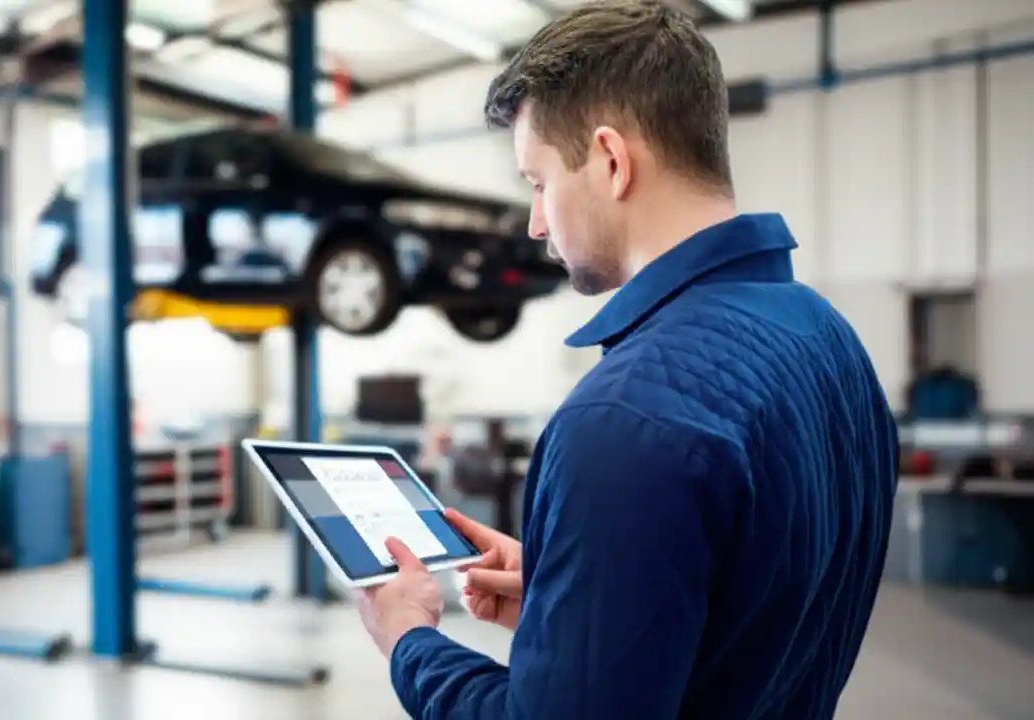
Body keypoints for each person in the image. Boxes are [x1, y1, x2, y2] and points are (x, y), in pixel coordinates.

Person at [354, 1, 899, 718]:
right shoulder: (831, 340)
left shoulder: (622, 419)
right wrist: (572, 602)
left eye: (539, 182)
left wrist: (409, 639)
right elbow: (749, 619)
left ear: (611, 160)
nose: (536, 223)